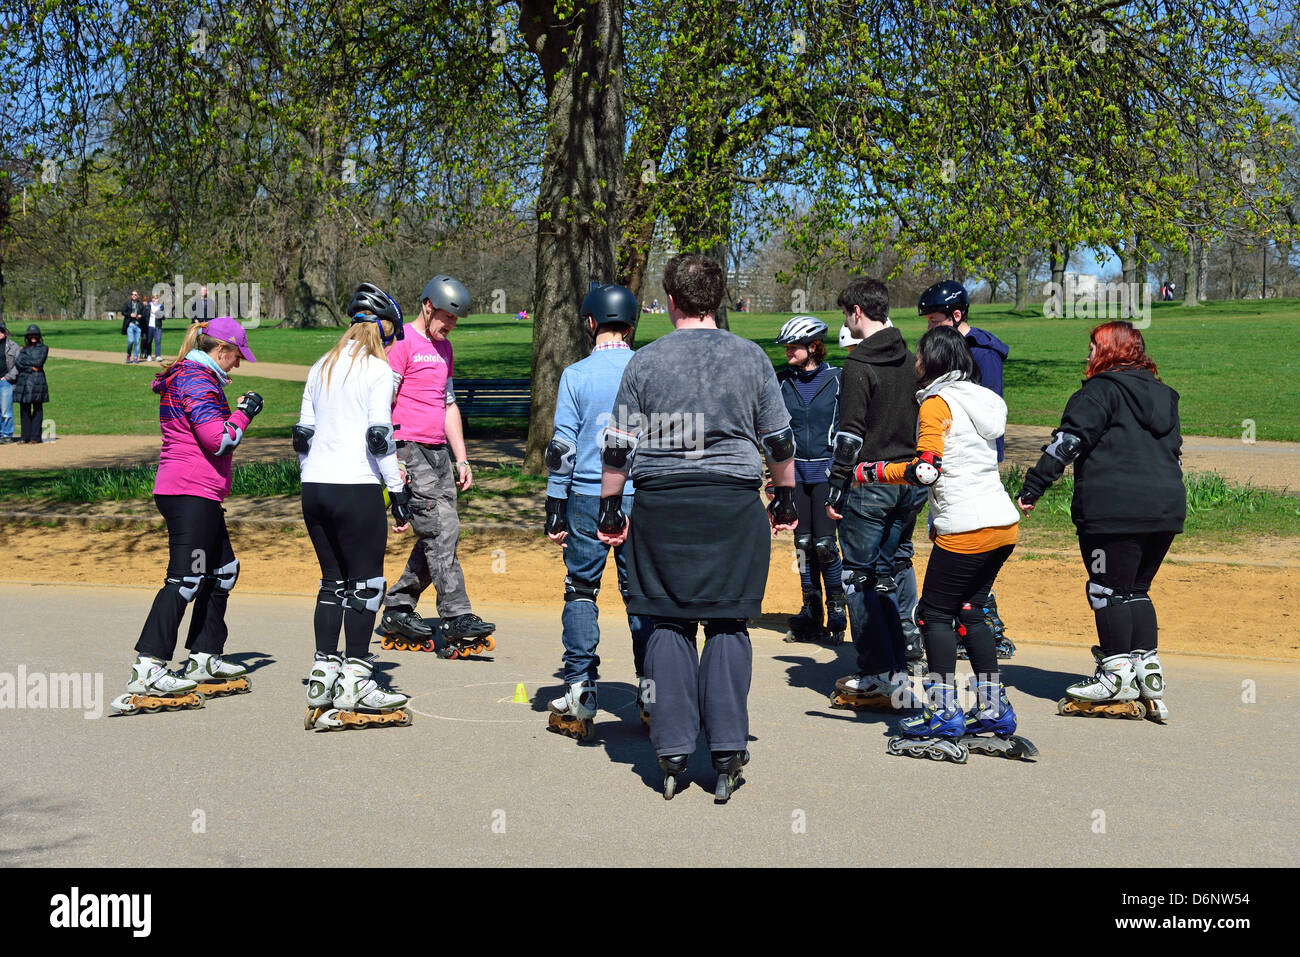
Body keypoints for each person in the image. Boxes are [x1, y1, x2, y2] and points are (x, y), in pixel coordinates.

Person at [598, 253, 797, 803]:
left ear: (670, 300)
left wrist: (609, 507)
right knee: (730, 622)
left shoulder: (644, 363)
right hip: (732, 504)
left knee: (667, 621)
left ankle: (672, 749)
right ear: (719, 297)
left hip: (663, 505)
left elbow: (617, 445)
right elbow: (779, 443)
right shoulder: (752, 358)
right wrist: (783, 497)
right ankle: (728, 749)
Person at [854, 325, 1034, 763]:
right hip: (1002, 525)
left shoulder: (937, 403)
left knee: (934, 613)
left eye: (920, 357)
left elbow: (926, 471)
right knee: (970, 612)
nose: (915, 363)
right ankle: (992, 708)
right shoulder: (984, 399)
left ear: (932, 361)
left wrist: (872, 472)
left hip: (966, 528)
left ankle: (942, 710)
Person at [1016, 321, 1183, 723]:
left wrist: (1032, 487)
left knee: (1106, 589)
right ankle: (1147, 670)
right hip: (1164, 509)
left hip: (1113, 511)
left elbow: (1068, 442)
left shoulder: (1098, 391)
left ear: (1111, 352)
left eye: (1093, 347)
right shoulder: (1166, 396)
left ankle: (1116, 673)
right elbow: (1174, 451)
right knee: (1136, 589)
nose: (1088, 354)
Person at [109, 317, 264, 715]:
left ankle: (204, 656)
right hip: (189, 492)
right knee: (186, 578)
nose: (238, 365)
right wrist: (245, 412)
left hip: (200, 494)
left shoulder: (197, 376)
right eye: (236, 356)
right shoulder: (195, 379)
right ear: (221, 350)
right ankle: (148, 666)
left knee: (223, 571)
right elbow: (219, 439)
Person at [297, 282, 416, 731]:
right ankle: (357, 679)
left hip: (316, 487)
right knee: (367, 584)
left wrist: (313, 478)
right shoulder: (378, 371)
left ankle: (323, 672)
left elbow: (302, 437)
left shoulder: (320, 365)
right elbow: (379, 438)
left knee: (333, 582)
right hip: (356, 486)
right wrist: (397, 494)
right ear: (386, 331)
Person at [543, 282, 654, 742]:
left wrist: (555, 502)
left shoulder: (576, 374)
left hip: (588, 497)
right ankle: (654, 695)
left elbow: (562, 448)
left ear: (590, 323)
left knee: (581, 591)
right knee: (643, 596)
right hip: (641, 496)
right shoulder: (649, 369)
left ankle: (580, 691)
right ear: (631, 327)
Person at [377, 274, 496, 656]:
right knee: (442, 528)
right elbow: (382, 403)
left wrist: (462, 457)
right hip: (408, 449)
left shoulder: (444, 349)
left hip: (439, 453)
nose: (450, 326)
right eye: (446, 317)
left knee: (440, 533)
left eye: (456, 320)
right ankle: (456, 614)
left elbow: (448, 405)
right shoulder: (401, 345)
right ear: (427, 306)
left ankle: (397, 605)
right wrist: (391, 460)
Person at [824, 279, 926, 712]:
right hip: (910, 480)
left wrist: (836, 484)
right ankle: (902, 659)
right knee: (896, 564)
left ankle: (876, 673)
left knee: (859, 576)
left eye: (846, 313)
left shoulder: (859, 365)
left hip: (870, 482)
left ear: (857, 312)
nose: (845, 321)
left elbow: (849, 434)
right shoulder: (911, 358)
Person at [917, 279, 1015, 658]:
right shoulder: (948, 351)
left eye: (935, 320)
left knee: (948, 600)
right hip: (955, 468)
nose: (928, 328)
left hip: (970, 466)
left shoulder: (982, 353)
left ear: (957, 316)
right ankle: (990, 695)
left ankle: (988, 627)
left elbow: (986, 412)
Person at [773, 315, 846, 644]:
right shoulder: (780, 381)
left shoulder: (839, 379)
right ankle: (811, 611)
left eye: (794, 346)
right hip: (793, 474)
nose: (788, 351)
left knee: (824, 545)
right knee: (802, 544)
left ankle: (838, 610)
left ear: (814, 347)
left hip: (827, 473)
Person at [14, 324, 50, 444]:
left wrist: (27, 363)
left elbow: (39, 362)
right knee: (24, 409)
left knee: (37, 409)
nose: (33, 337)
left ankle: (35, 437)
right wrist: (31, 368)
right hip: (24, 381)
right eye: (31, 335)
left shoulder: (44, 348)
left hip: (37, 382)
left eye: (35, 335)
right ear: (27, 336)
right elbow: (18, 363)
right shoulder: (23, 349)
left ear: (39, 336)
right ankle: (25, 436)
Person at [0, 319, 19, 443]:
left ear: (6, 332)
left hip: (6, 382)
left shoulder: (13, 346)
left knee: (6, 410)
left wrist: (7, 377)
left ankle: (6, 435)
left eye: (1, 330)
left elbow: (19, 365)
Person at [122, 290, 147, 363]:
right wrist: (130, 314)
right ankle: (128, 355)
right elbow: (123, 312)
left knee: (137, 342)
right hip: (130, 325)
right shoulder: (127, 303)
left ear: (138, 296)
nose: (133, 295)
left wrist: (141, 316)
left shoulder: (141, 304)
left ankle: (135, 357)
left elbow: (144, 314)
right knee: (130, 341)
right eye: (132, 294)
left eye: (135, 294)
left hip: (138, 326)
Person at [148, 292, 165, 361]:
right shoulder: (149, 305)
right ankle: (148, 355)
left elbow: (163, 317)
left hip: (158, 326)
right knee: (149, 341)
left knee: (158, 341)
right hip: (149, 326)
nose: (154, 299)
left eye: (155, 298)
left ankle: (157, 356)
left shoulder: (161, 307)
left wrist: (156, 313)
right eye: (153, 298)